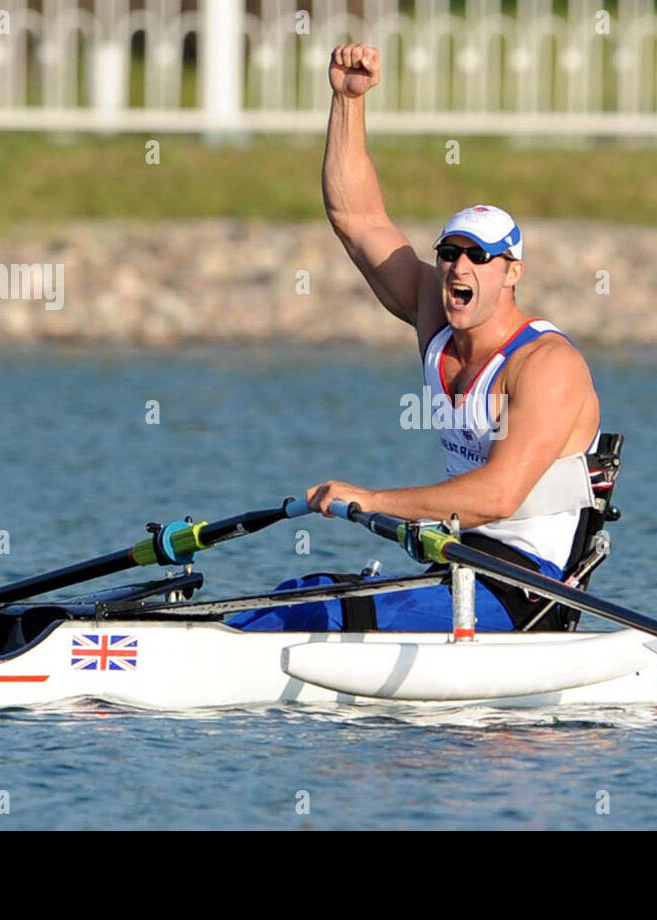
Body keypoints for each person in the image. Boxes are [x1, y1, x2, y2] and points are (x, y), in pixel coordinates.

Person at [227, 43, 603, 632]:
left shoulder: (547, 365)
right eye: (449, 253)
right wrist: (348, 101)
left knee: (330, 612)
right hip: (455, 566)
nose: (459, 268)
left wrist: (372, 500)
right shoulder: (435, 314)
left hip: (525, 589)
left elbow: (497, 497)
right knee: (307, 590)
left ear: (512, 273)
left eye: (480, 257)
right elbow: (357, 218)